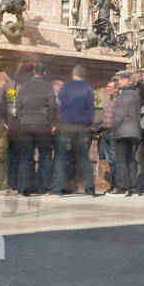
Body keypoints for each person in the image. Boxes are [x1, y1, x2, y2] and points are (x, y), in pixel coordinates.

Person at [54, 63, 98, 196]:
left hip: (66, 126)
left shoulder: (66, 87)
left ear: (73, 74)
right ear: (83, 75)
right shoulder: (88, 89)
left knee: (61, 157)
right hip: (81, 127)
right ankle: (90, 189)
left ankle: (57, 189)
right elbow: (91, 110)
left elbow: (59, 108)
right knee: (84, 157)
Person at [14, 63, 57, 195]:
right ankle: (47, 187)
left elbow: (17, 106)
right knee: (45, 156)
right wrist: (53, 123)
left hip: (26, 125)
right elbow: (52, 106)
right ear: (44, 73)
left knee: (26, 157)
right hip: (42, 125)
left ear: (33, 71)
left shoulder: (24, 87)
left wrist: (23, 120)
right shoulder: (48, 86)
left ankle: (22, 188)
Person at [110, 71, 141, 195]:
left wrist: (113, 127)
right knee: (130, 160)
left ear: (129, 80)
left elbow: (120, 114)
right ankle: (134, 188)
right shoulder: (135, 94)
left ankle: (121, 187)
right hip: (133, 131)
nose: (120, 82)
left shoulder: (126, 94)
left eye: (122, 79)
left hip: (123, 131)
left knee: (121, 160)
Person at [96, 80, 118, 193]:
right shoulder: (108, 101)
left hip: (114, 134)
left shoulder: (119, 102)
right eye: (107, 87)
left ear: (116, 89)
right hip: (105, 134)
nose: (107, 89)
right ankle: (114, 186)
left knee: (115, 160)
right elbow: (105, 117)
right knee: (110, 161)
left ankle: (117, 186)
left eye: (110, 87)